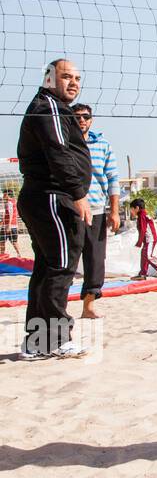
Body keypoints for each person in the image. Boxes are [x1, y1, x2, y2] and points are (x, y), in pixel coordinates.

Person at [16, 59, 93, 359]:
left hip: (43, 196)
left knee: (46, 268)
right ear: (50, 78)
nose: (73, 82)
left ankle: (36, 343)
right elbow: (58, 152)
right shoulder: (49, 106)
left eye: (77, 78)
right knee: (61, 267)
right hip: (51, 196)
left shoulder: (51, 106)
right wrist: (77, 193)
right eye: (66, 76)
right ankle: (57, 339)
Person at [71, 104, 120, 319]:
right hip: (70, 209)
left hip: (97, 209)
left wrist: (115, 211)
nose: (82, 120)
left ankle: (88, 307)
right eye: (77, 117)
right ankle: (58, 308)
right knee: (68, 260)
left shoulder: (102, 144)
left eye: (86, 116)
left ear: (91, 120)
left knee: (96, 260)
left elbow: (113, 180)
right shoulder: (64, 142)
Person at [129, 198, 157, 280]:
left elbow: (143, 229)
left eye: (132, 209)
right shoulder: (143, 214)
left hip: (150, 239)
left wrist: (139, 242)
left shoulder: (141, 216)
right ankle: (142, 274)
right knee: (143, 255)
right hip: (148, 239)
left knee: (147, 256)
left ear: (137, 208)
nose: (131, 212)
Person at [1, 188, 20, 257]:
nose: (3, 196)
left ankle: (2, 255)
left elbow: (11, 214)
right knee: (14, 242)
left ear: (7, 195)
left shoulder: (9, 202)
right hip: (13, 225)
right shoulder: (14, 201)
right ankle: (19, 255)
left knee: (2, 242)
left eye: (4, 194)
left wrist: (8, 225)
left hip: (8, 226)